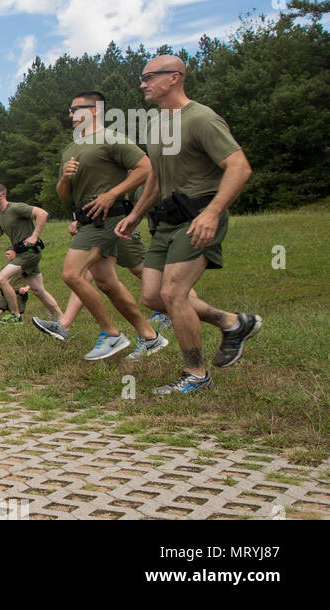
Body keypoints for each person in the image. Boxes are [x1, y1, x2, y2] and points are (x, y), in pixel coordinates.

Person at [115, 55, 260, 395]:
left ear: (174, 78)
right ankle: (233, 323)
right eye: (143, 77)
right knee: (153, 295)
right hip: (166, 220)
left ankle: (196, 374)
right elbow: (156, 177)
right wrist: (136, 213)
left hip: (198, 216)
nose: (142, 83)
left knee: (174, 293)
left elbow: (239, 167)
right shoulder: (156, 124)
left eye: (150, 77)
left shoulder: (201, 119)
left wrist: (212, 213)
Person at [29, 90, 167, 360]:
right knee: (106, 282)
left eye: (75, 109)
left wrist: (113, 194)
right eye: (69, 110)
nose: (70, 115)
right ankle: (150, 336)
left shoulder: (112, 139)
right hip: (86, 218)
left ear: (95, 110)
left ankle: (111, 334)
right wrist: (65, 178)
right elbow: (63, 195)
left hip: (107, 216)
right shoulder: (71, 148)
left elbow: (146, 168)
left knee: (71, 274)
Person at [0, 185, 64, 322]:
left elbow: (42, 214)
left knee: (2, 278)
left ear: (0, 196)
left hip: (30, 252)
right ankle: (62, 319)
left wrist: (34, 236)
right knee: (39, 291)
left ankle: (16, 315)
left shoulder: (16, 208)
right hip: (21, 254)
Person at [0, 247, 31, 323]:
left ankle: (20, 332)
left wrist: (26, 288)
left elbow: (32, 279)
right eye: (6, 254)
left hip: (18, 294)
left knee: (18, 318)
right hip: (6, 295)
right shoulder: (5, 267)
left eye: (8, 254)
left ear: (16, 254)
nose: (6, 256)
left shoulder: (23, 266)